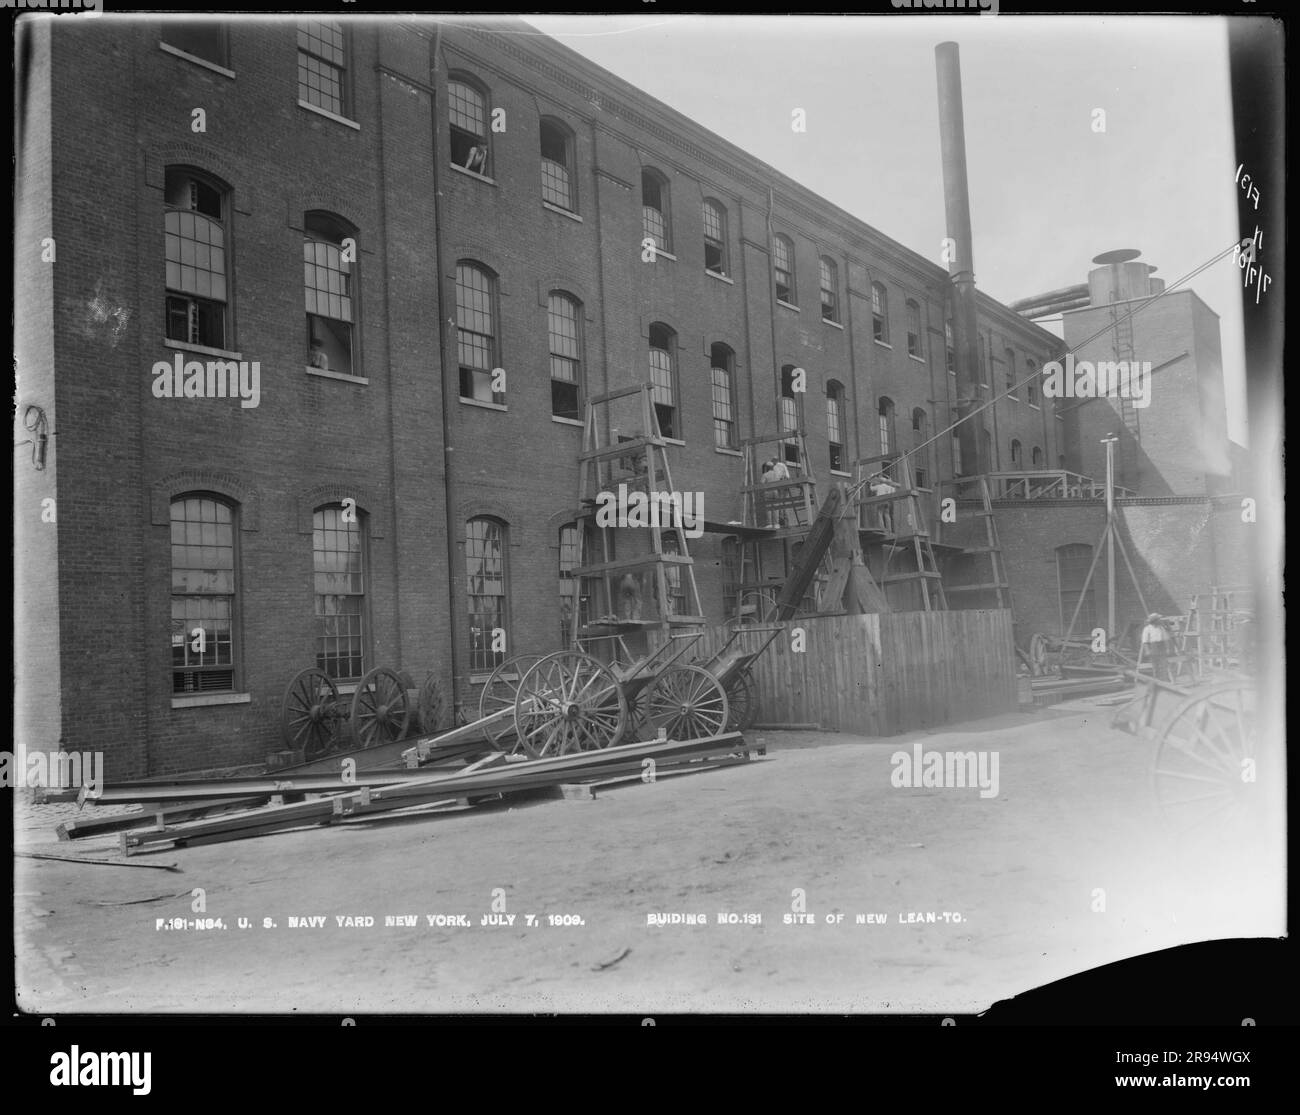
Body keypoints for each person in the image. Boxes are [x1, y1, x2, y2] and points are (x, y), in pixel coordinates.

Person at [1140, 612, 1172, 681]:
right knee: (1155, 665)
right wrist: (1147, 650)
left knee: (1164, 664)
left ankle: (1165, 680)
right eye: (1158, 620)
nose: (1160, 621)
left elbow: (1165, 639)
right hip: (1153, 647)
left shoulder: (1161, 628)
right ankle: (1156, 680)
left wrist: (1167, 648)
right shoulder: (1147, 629)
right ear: (1154, 621)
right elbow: (1145, 641)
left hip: (1161, 647)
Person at [760, 458, 791, 527]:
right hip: (776, 492)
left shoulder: (765, 475)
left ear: (767, 468)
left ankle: (769, 524)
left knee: (769, 508)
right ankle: (776, 524)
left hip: (768, 492)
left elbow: (761, 484)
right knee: (776, 508)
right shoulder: (777, 474)